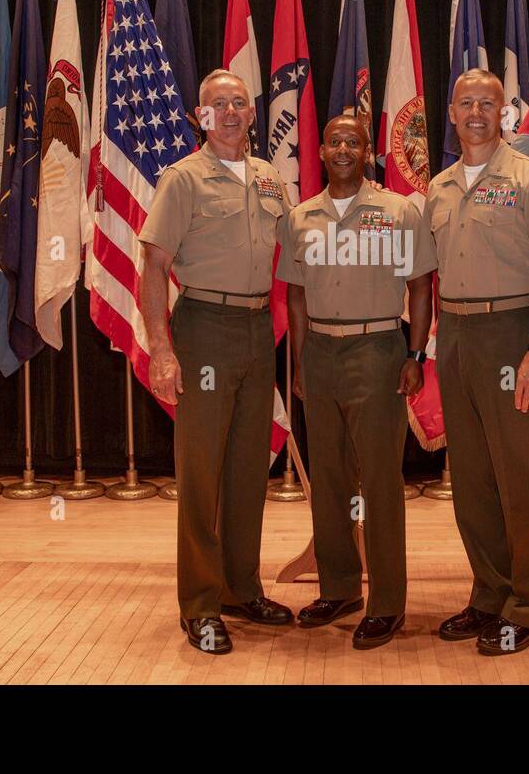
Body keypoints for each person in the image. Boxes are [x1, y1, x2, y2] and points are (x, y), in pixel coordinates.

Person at [424, 69, 529, 656]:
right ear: (452, 112)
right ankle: (489, 593)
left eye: (487, 104)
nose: (475, 113)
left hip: (513, 331)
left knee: (523, 476)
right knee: (471, 478)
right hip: (457, 336)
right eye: (465, 102)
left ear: (503, 113)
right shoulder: (439, 187)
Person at [140, 70, 294, 655]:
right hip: (204, 326)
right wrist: (161, 346)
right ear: (200, 117)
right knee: (202, 473)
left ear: (253, 114)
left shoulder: (269, 178)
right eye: (217, 104)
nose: (230, 112)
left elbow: (302, 247)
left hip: (258, 329)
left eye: (239, 103)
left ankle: (241, 587)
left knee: (250, 467)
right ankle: (201, 605)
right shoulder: (182, 180)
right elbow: (153, 267)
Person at [277, 114, 434, 649]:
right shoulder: (300, 217)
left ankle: (387, 601)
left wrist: (415, 352)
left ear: (369, 152)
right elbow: (295, 296)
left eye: (355, 142)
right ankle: (339, 586)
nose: (344, 148)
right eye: (335, 141)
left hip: (378, 348)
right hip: (319, 351)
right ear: (321, 150)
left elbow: (419, 286)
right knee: (330, 477)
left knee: (380, 481)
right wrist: (299, 362)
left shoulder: (399, 211)